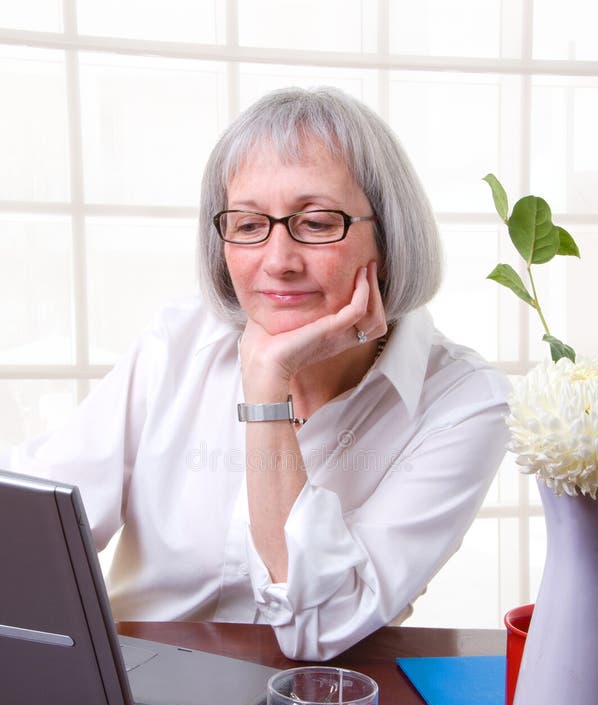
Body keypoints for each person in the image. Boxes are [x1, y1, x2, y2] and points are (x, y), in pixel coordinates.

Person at [3, 87, 509, 660]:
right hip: (143, 692)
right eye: (247, 225)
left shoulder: (464, 403)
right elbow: (39, 524)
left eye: (316, 222)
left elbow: (319, 628)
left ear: (389, 237)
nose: (278, 260)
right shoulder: (181, 341)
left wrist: (268, 384)